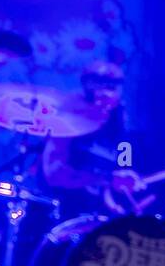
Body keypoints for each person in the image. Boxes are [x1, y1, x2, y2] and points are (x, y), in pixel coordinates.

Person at [41, 60, 153, 215]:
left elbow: (122, 167)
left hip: (99, 218)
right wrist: (108, 178)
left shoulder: (120, 124)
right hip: (62, 212)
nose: (106, 95)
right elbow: (54, 174)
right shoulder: (67, 120)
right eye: (99, 86)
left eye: (112, 87)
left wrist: (116, 200)